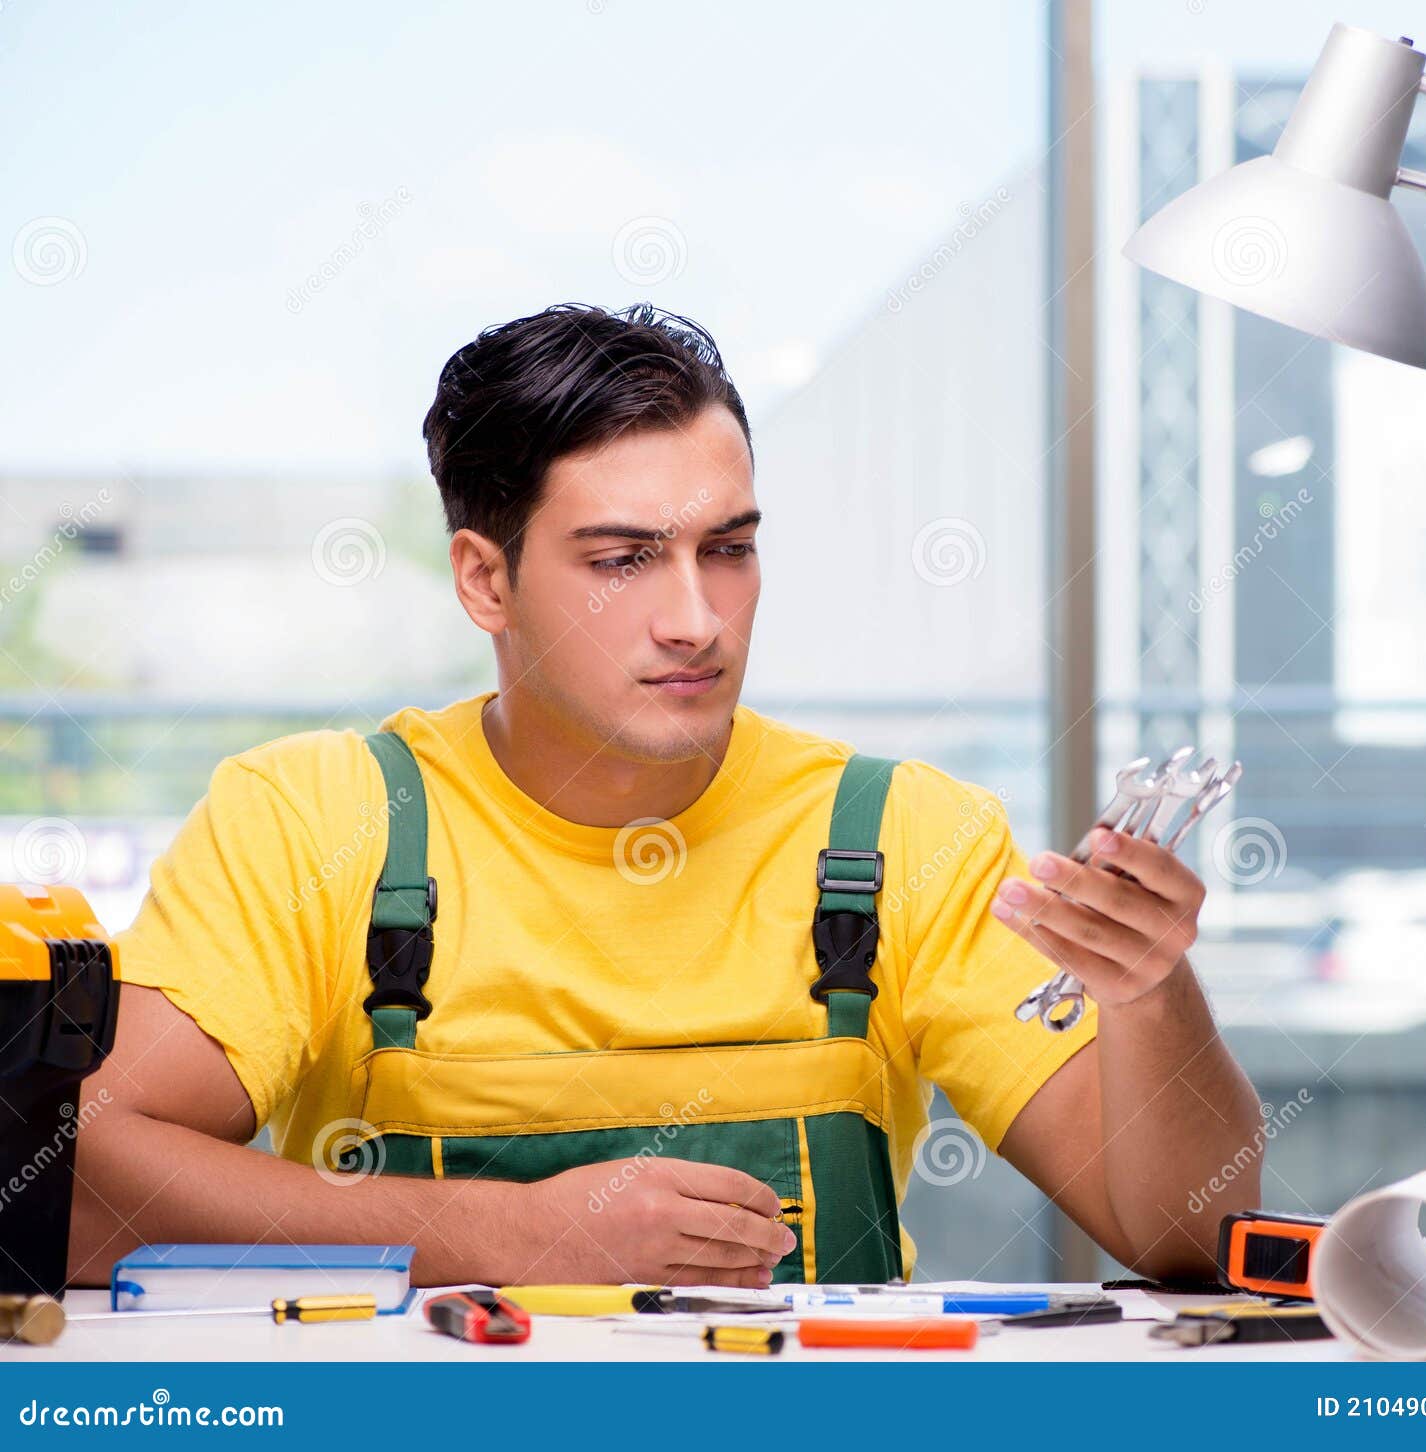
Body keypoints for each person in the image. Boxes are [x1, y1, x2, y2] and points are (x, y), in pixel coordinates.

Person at [69, 304, 1261, 1289]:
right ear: (485, 580)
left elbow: (1188, 1238)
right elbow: (79, 1189)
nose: (695, 619)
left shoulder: (904, 836)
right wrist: (513, 1237)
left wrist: (1151, 995)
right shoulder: (317, 824)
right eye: (623, 560)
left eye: (727, 550)